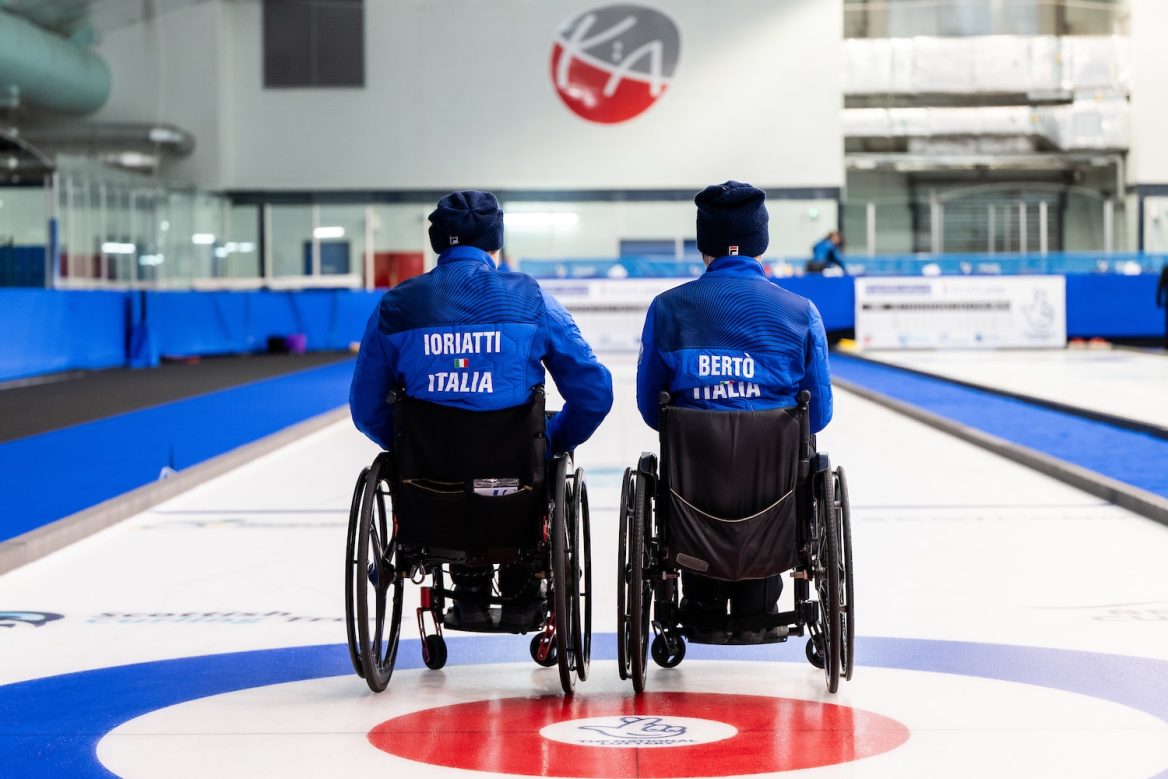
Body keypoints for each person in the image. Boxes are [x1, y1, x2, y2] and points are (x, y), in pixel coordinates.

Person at [350, 190, 614, 630]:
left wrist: (407, 447)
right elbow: (595, 393)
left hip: (428, 482)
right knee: (517, 467)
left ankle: (468, 589)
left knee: (450, 467)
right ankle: (520, 585)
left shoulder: (395, 306)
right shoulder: (531, 299)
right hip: (516, 476)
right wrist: (550, 442)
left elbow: (365, 407)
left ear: (439, 243)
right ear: (495, 245)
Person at [636, 180, 833, 643]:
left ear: (706, 244)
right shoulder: (800, 312)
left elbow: (651, 410)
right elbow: (818, 415)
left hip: (691, 504)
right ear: (760, 242)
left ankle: (697, 600)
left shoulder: (668, 309)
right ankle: (760, 599)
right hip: (775, 505)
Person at [1158, 263, 1168, 350]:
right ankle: (1166, 345)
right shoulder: (1166, 269)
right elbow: (1161, 286)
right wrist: (1158, 300)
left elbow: (1160, 286)